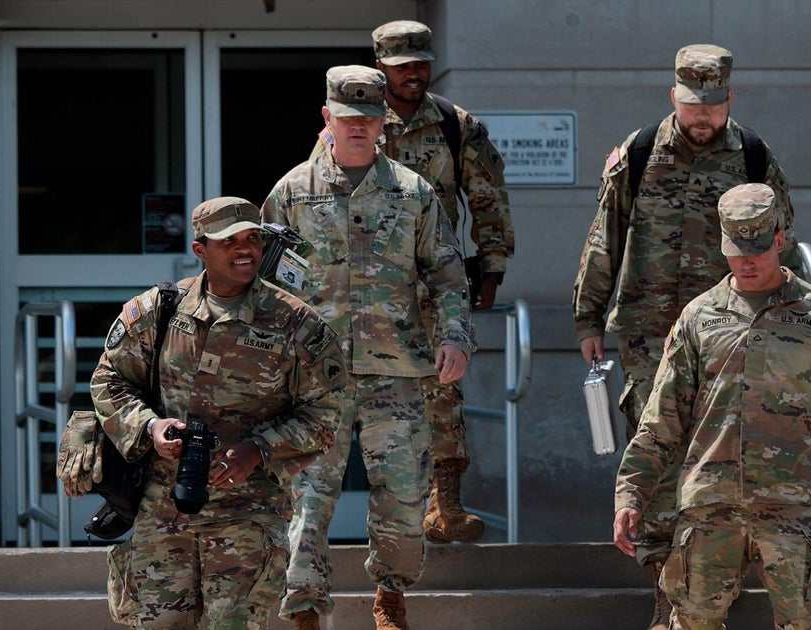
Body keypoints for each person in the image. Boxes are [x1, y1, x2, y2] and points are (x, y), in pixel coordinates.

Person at [572, 43, 803, 629]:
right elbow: (606, 236)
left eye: (714, 105)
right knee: (656, 453)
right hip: (650, 333)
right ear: (673, 96)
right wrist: (587, 319)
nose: (703, 116)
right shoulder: (640, 152)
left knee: (717, 461)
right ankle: (668, 601)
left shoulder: (753, 157)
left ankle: (707, 595)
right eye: (693, 104)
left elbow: (783, 244)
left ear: (729, 98)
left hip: (730, 331)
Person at [262, 65, 473, 630]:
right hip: (313, 380)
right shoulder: (291, 193)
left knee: (404, 495)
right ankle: (305, 607)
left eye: (368, 118)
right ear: (327, 119)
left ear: (384, 122)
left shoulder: (412, 193)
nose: (358, 128)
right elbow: (264, 291)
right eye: (347, 118)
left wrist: (454, 336)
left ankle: (392, 594)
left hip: (396, 371)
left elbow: (448, 276)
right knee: (307, 497)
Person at [612, 183, 811, 630]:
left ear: (780, 241)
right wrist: (631, 493)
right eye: (736, 250)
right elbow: (661, 420)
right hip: (711, 507)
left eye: (758, 249)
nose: (746, 262)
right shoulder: (699, 318)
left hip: (794, 508)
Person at [90, 196, 348, 629]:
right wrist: (150, 427)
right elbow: (108, 380)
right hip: (162, 508)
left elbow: (326, 412)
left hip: (248, 512)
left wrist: (257, 450)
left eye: (252, 238)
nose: (244, 249)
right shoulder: (160, 311)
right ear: (200, 251)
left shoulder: (296, 323)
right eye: (229, 242)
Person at [311, 19, 514, 543]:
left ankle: (445, 504)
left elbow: (488, 195)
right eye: (403, 67)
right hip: (360, 293)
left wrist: (491, 265)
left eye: (422, 64)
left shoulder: (454, 123)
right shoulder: (348, 122)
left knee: (442, 393)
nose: (415, 74)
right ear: (381, 67)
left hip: (430, 281)